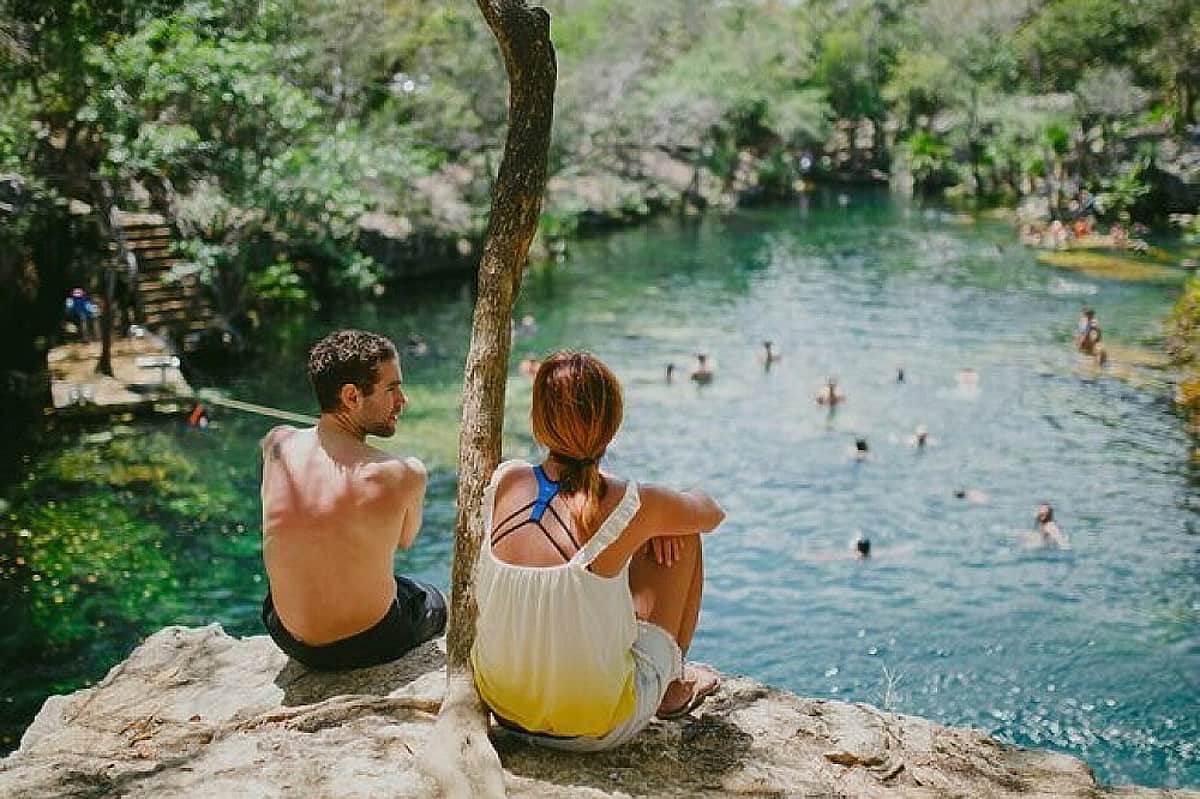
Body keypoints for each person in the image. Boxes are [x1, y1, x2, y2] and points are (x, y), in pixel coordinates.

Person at [472, 351, 726, 751]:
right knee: (685, 533)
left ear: (538, 420)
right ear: (613, 421)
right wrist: (662, 516)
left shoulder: (505, 479)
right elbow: (711, 513)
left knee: (640, 540)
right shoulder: (634, 502)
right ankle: (672, 687)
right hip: (594, 724)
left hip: (504, 707)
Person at [259, 329, 446, 670]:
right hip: (370, 640)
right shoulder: (405, 473)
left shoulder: (276, 445)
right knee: (432, 600)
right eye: (392, 389)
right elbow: (405, 540)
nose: (402, 401)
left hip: (286, 635)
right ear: (351, 396)